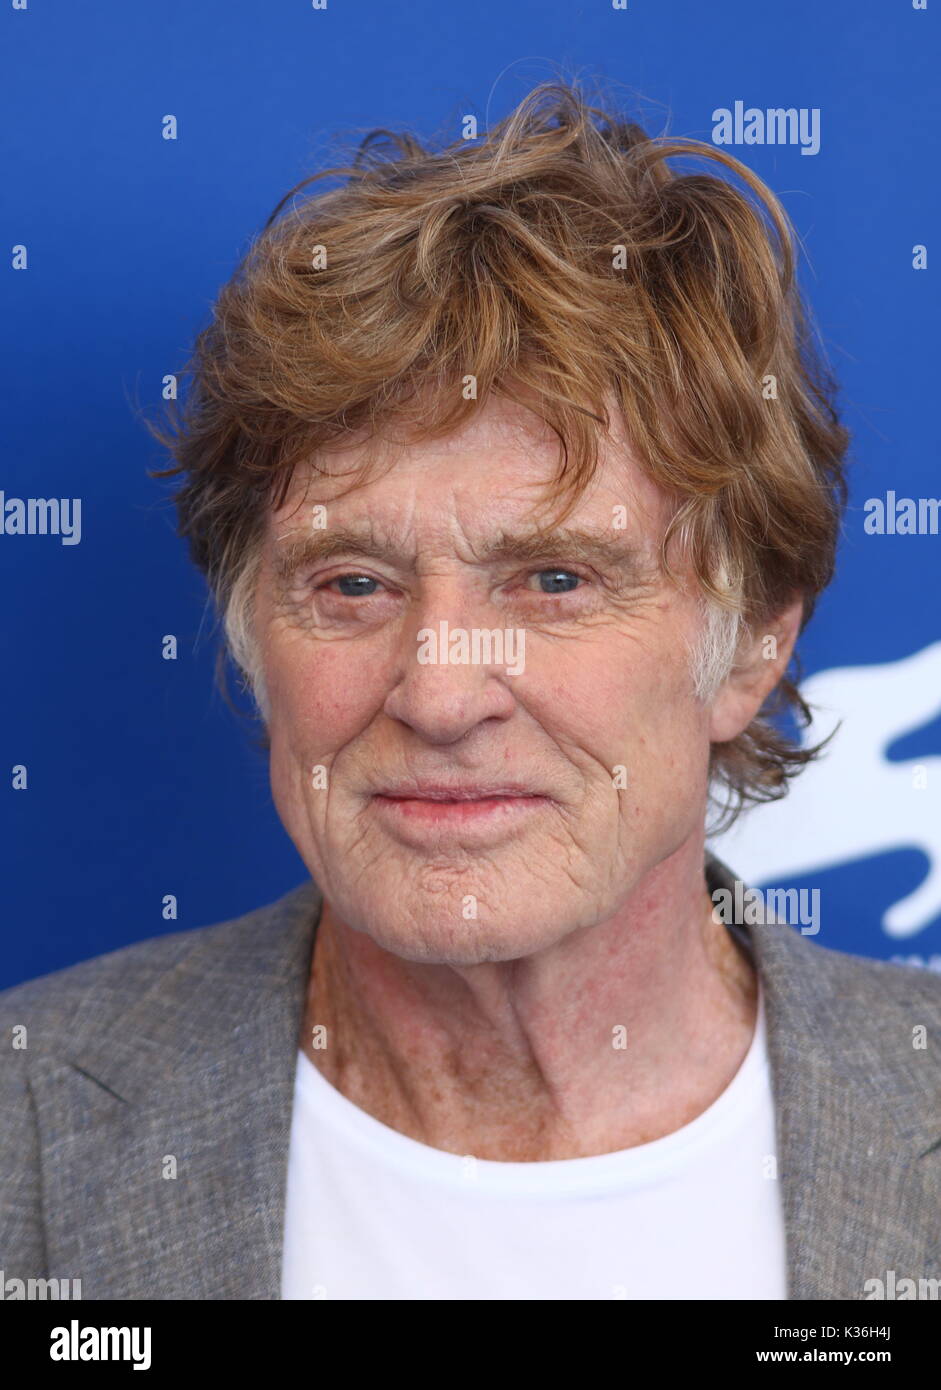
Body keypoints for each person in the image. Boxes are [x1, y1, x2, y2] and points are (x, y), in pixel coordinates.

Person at [3, 83, 940, 1302]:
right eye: (351, 584)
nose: (439, 698)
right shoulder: (27, 1126)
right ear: (248, 636)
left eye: (552, 579)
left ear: (751, 645)